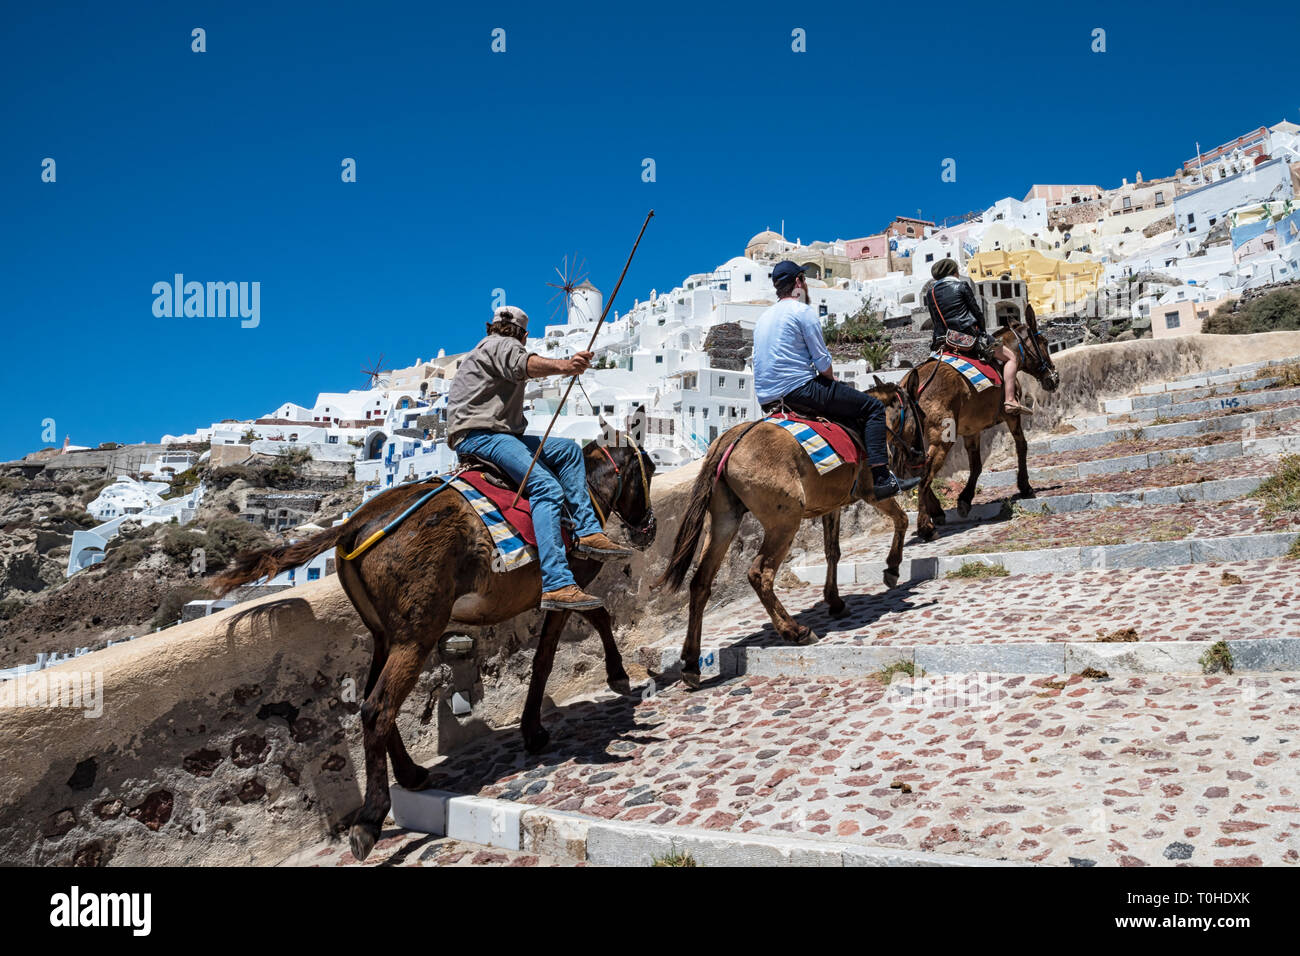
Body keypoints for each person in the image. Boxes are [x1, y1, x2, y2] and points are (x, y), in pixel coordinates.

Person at [446, 306, 632, 611]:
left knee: (569, 450)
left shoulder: (484, 348)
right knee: (546, 488)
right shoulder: (501, 345)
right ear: (523, 335)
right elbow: (525, 365)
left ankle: (587, 532)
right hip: (484, 436)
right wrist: (567, 366)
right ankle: (557, 582)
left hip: (498, 434)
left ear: (490, 325)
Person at [752, 260, 914, 499]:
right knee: (873, 408)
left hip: (767, 399)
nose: (805, 284)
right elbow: (823, 364)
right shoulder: (802, 311)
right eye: (804, 279)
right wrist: (831, 378)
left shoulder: (763, 318)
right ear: (798, 282)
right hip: (800, 391)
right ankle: (881, 479)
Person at [921, 258, 1029, 415]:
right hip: (967, 337)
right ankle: (1010, 400)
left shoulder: (930, 293)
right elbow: (977, 313)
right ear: (954, 272)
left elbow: (935, 319)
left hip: (942, 341)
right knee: (1011, 357)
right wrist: (982, 332)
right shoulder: (961, 286)